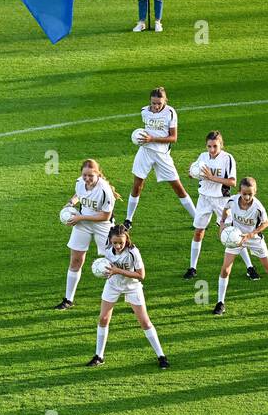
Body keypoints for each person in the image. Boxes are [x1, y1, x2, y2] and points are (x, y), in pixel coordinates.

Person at [87, 225, 170, 369]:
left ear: (127, 240)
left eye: (121, 242)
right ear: (110, 241)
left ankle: (161, 356)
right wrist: (101, 270)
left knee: (145, 322)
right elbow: (108, 266)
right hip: (113, 285)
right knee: (103, 318)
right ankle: (99, 356)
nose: (118, 245)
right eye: (115, 243)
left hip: (132, 287)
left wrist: (117, 270)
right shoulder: (107, 250)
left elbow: (141, 275)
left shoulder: (133, 252)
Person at [212, 177, 268, 315]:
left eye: (250, 194)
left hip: (254, 239)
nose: (247, 197)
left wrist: (251, 234)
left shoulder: (258, 207)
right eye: (244, 193)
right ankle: (220, 303)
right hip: (236, 237)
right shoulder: (232, 201)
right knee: (225, 269)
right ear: (239, 191)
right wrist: (222, 223)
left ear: (255, 192)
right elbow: (225, 210)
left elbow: (265, 223)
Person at [124, 86, 200, 228]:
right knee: (137, 185)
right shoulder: (144, 112)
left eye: (159, 103)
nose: (156, 106)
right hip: (145, 152)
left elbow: (173, 138)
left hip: (162, 155)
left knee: (178, 187)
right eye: (153, 103)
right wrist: (143, 138)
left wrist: (152, 139)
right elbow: (145, 132)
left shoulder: (170, 113)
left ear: (165, 101)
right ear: (150, 101)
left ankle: (197, 219)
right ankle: (128, 219)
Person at [185, 130, 247, 279]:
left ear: (221, 145)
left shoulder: (228, 159)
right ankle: (192, 268)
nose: (212, 150)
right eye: (209, 146)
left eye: (215, 146)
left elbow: (232, 182)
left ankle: (250, 266)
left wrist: (212, 177)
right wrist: (192, 173)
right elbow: (195, 173)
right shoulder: (202, 156)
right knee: (199, 232)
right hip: (204, 198)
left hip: (222, 200)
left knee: (232, 234)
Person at [56, 159, 118, 309]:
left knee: (114, 261)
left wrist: (80, 217)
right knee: (76, 260)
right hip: (83, 224)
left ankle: (129, 295)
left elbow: (105, 216)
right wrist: (71, 203)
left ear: (97, 174)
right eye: (85, 175)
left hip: (102, 225)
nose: (87, 179)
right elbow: (79, 193)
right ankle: (68, 300)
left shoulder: (104, 190)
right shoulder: (80, 182)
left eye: (91, 176)